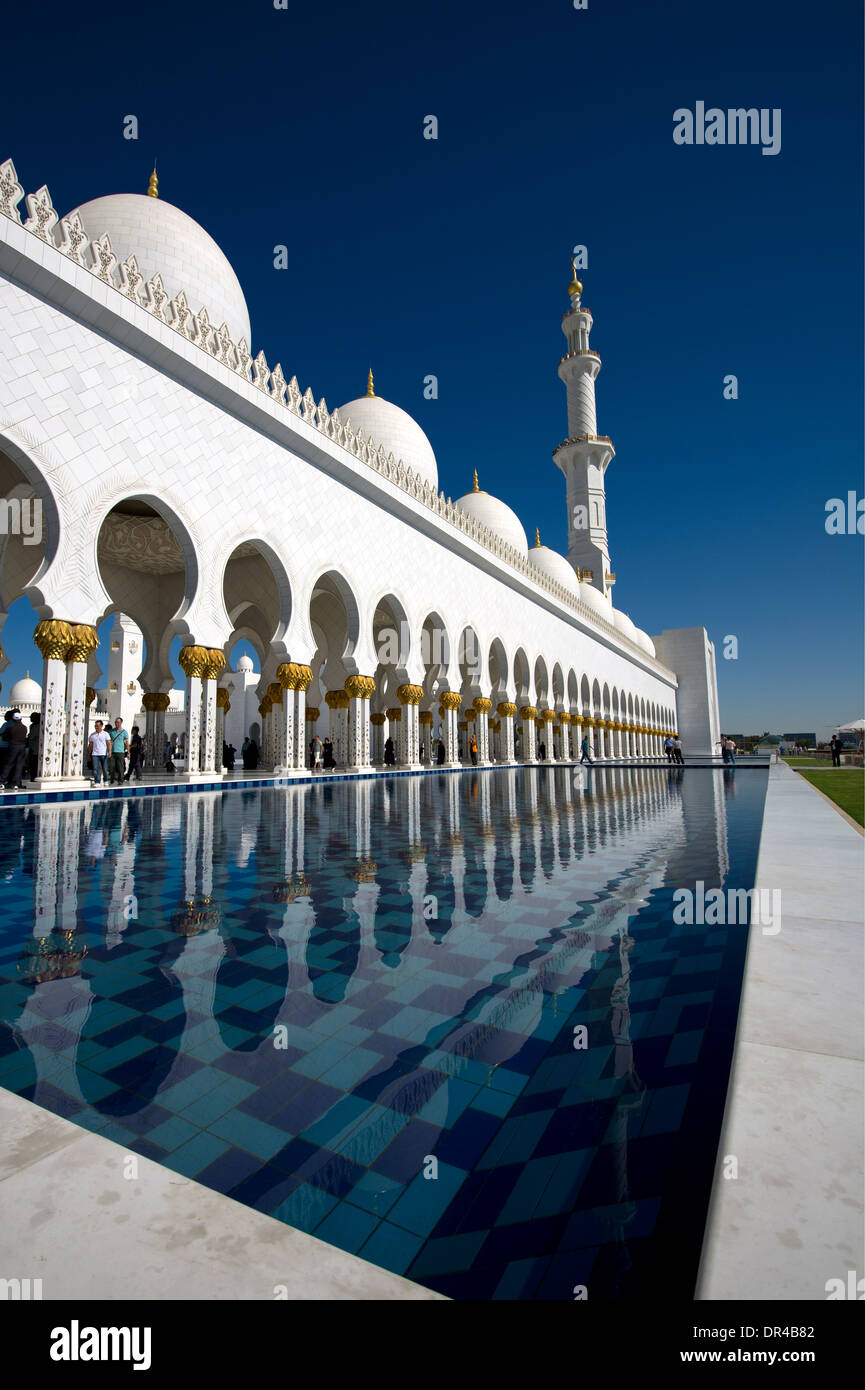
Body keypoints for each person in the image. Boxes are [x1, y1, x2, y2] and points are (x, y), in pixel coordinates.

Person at [1, 710, 27, 789]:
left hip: (13, 746)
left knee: (8, 764)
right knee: (19, 765)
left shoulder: (10, 727)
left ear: (13, 719)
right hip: (22, 747)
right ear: (20, 719)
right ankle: (15, 783)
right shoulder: (24, 727)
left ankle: (1, 781)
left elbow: (5, 737)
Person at [88, 719, 111, 785]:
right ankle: (97, 781)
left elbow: (109, 743)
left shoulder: (105, 734)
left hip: (103, 754)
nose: (96, 727)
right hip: (95, 754)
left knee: (104, 768)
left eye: (98, 725)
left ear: (101, 726)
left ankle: (106, 780)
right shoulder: (92, 735)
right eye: (95, 726)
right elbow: (91, 745)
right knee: (95, 769)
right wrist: (89, 754)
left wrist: (109, 751)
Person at [108, 717, 129, 784]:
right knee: (111, 766)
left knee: (120, 767)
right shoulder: (111, 732)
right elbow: (108, 741)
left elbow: (127, 743)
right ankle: (112, 778)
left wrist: (128, 752)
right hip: (113, 751)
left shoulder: (124, 732)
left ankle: (120, 780)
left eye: (118, 722)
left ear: (121, 723)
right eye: (116, 722)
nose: (117, 723)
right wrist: (109, 750)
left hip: (120, 752)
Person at [26, 712, 40, 781]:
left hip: (35, 749)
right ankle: (33, 777)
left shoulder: (37, 726)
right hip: (32, 748)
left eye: (32, 717)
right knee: (32, 764)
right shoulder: (32, 726)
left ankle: (34, 778)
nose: (30, 718)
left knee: (34, 764)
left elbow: (32, 736)